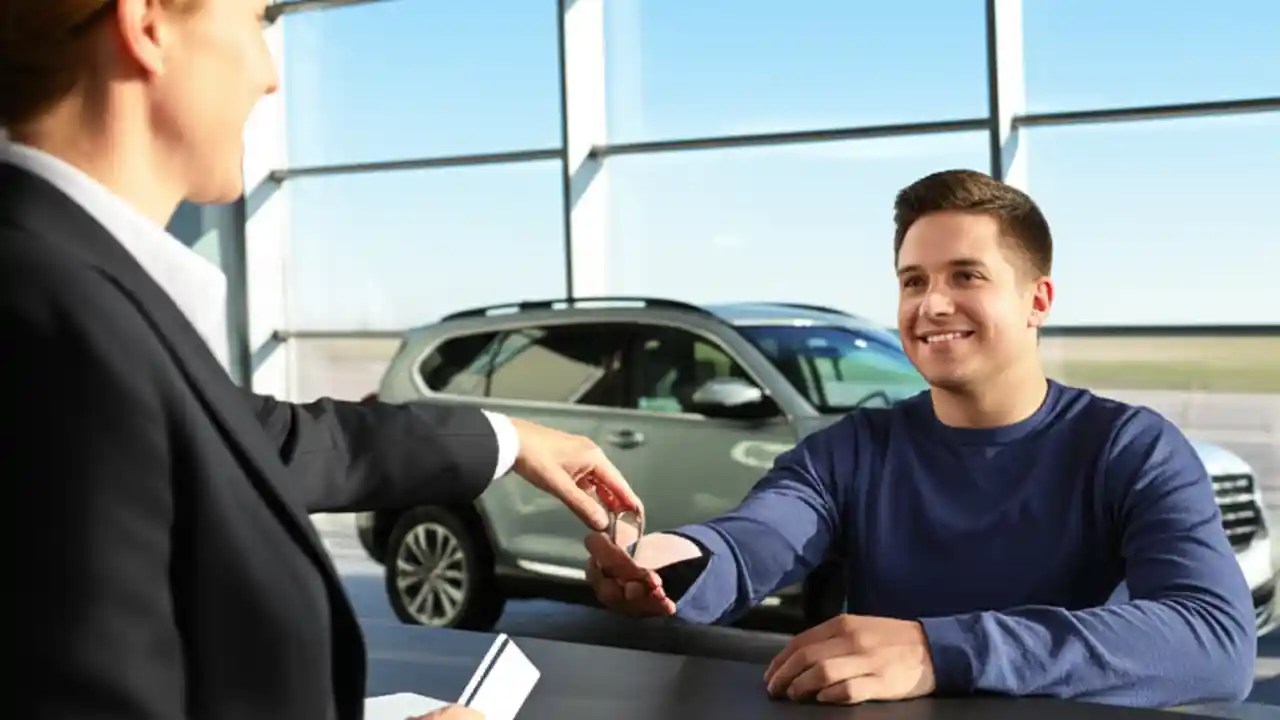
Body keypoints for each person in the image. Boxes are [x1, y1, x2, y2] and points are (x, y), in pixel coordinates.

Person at [1, 2, 640, 719]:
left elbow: (268, 440)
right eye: (253, 22)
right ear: (147, 24)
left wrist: (511, 439)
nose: (270, 77)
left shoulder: (75, 294)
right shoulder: (48, 322)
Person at [585, 168, 1257, 708]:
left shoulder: (1129, 447)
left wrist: (938, 650)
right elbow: (759, 536)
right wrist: (677, 559)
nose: (931, 304)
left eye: (966, 276)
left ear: (1038, 301)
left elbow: (1215, 643)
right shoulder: (854, 449)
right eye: (914, 281)